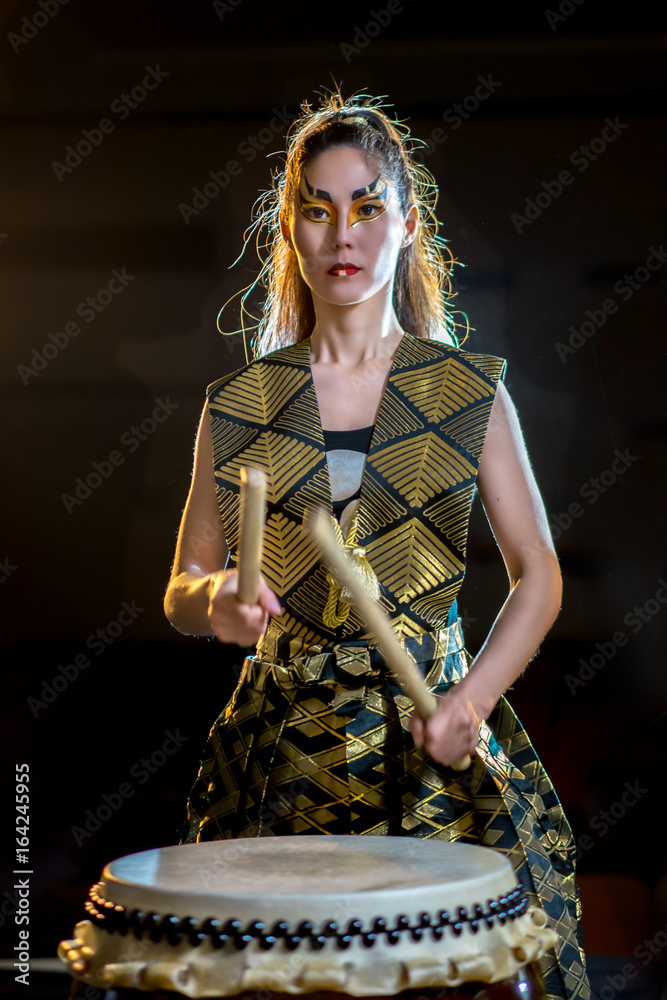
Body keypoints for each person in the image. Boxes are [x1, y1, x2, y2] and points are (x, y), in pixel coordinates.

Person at [164, 93, 589, 1000]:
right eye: (316, 210)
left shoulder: (464, 393)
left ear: (405, 222)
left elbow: (538, 576)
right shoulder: (239, 404)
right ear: (292, 231)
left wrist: (469, 702)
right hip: (278, 756)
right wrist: (218, 604)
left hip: (429, 744)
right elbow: (182, 587)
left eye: (365, 206)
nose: (341, 235)